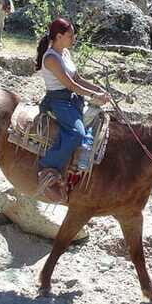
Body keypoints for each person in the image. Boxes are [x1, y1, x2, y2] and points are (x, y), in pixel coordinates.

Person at [35, 18, 110, 197]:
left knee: (95, 120)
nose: (73, 39)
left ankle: (79, 164)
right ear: (59, 36)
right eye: (70, 36)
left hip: (73, 99)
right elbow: (70, 85)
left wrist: (98, 89)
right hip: (58, 102)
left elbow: (77, 78)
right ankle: (46, 167)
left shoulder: (65, 52)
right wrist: (93, 96)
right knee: (77, 134)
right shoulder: (51, 58)